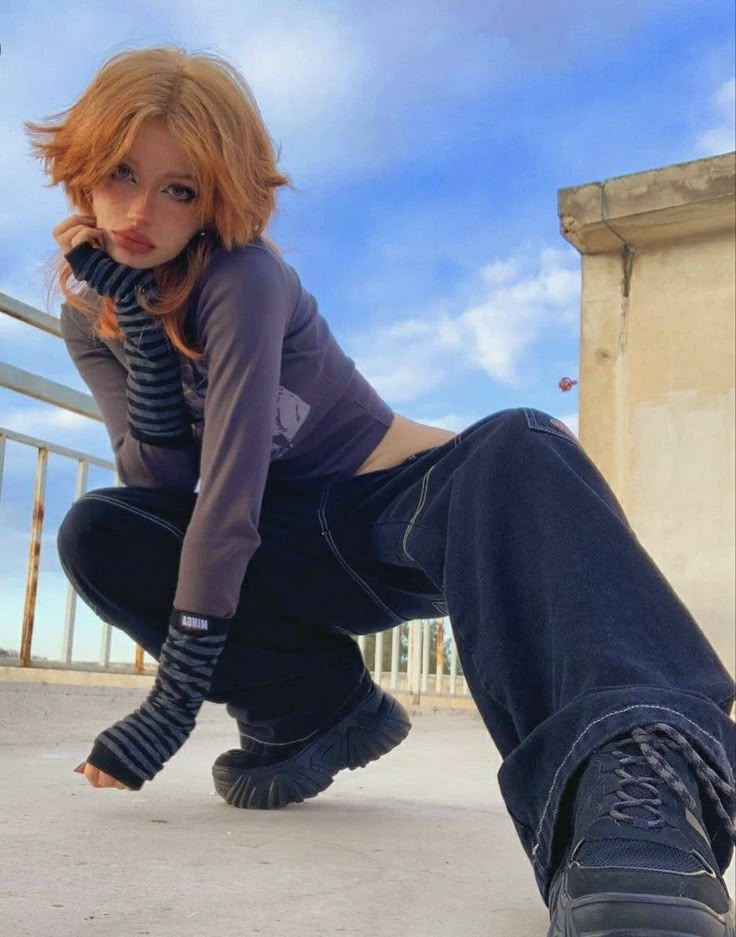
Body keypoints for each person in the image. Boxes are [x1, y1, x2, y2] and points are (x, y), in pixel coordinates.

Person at [26, 45, 734, 935]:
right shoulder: (85, 313)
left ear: (216, 199)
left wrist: (172, 704)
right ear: (82, 165)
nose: (139, 211)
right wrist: (132, 314)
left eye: (180, 188)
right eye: (122, 174)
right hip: (286, 552)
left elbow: (230, 492)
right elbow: (162, 487)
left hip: (389, 515)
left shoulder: (244, 279)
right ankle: (314, 708)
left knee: (520, 438)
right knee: (99, 530)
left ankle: (640, 790)